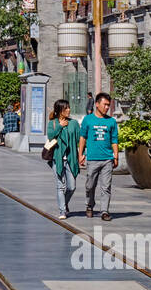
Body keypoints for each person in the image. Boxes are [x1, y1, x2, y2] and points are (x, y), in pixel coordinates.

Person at [78, 92, 119, 221]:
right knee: (90, 185)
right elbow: (83, 138)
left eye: (108, 105)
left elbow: (114, 140)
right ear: (97, 104)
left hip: (107, 159)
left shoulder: (111, 121)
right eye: (105, 104)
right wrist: (80, 154)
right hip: (92, 158)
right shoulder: (88, 120)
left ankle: (104, 211)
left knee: (106, 187)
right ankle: (89, 205)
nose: (107, 107)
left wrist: (116, 156)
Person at [47, 99, 81, 217]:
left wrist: (81, 154)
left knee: (72, 187)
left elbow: (79, 140)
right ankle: (62, 211)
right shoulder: (53, 123)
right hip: (58, 159)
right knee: (60, 186)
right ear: (59, 110)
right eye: (65, 108)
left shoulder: (74, 123)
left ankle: (65, 204)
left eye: (69, 107)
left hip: (71, 159)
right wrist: (60, 127)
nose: (68, 110)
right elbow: (51, 136)